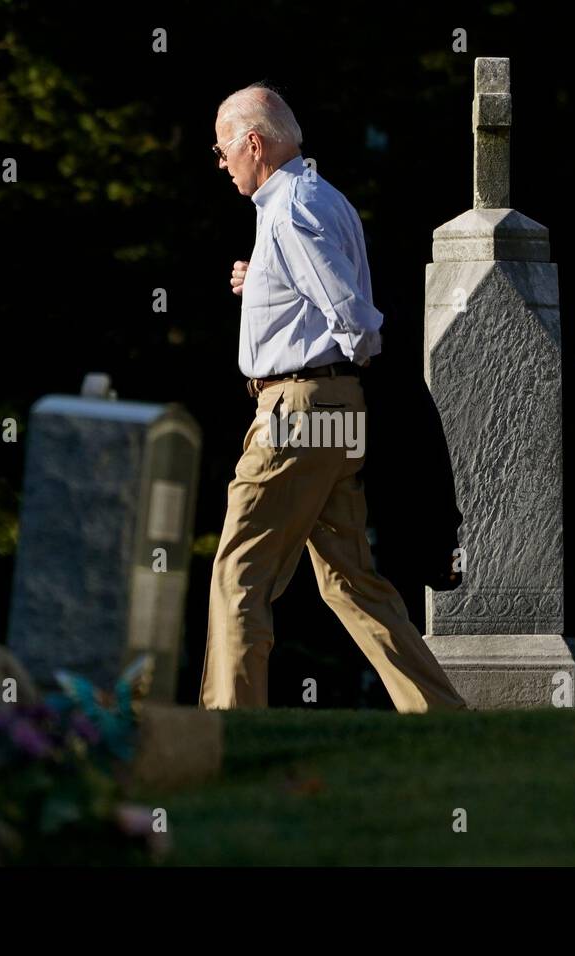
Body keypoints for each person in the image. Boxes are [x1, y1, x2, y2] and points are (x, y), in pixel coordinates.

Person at [198, 83, 466, 713]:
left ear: (253, 143)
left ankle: (228, 726)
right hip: (333, 410)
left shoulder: (289, 207)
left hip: (298, 411)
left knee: (240, 570)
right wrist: (259, 277)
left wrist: (354, 344)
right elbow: (307, 287)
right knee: (350, 579)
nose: (220, 162)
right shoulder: (317, 198)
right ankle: (439, 712)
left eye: (221, 148)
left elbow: (347, 308)